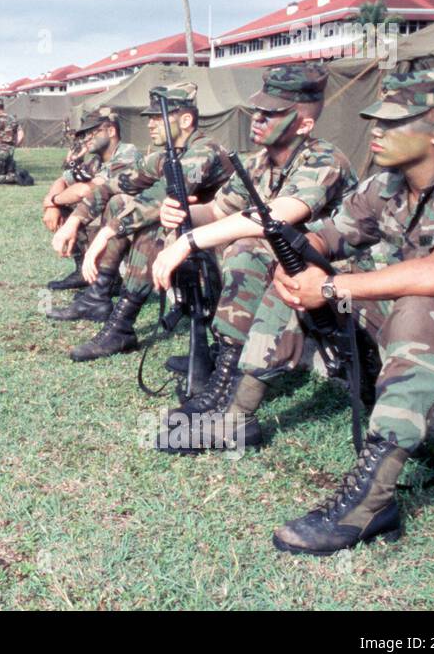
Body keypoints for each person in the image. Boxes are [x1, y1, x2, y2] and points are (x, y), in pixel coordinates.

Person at [198, 67, 434, 554]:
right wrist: (299, 256)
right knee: (301, 272)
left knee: (421, 305)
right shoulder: (389, 183)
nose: (376, 131)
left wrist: (334, 286)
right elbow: (330, 235)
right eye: (376, 121)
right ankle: (237, 417)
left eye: (393, 123)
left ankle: (371, 502)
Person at [149, 66, 355, 428]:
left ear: (304, 125)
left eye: (272, 113)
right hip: (290, 273)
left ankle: (230, 384)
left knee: (246, 249)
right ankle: (225, 372)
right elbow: (216, 210)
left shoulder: (325, 159)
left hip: (336, 276)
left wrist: (190, 238)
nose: (257, 118)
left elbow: (276, 217)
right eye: (258, 109)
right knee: (220, 245)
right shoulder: (258, 164)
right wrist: (182, 211)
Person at [55, 82, 231, 362]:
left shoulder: (204, 152)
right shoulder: (165, 156)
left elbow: (163, 198)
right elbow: (113, 185)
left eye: (158, 117)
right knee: (120, 202)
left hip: (222, 240)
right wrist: (74, 220)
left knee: (151, 224)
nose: (150, 124)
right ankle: (99, 295)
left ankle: (121, 325)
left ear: (186, 120)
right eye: (149, 117)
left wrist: (105, 234)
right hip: (190, 236)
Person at [42, 107, 139, 290]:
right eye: (85, 134)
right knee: (66, 205)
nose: (87, 139)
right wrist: (53, 206)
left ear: (111, 131)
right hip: (115, 225)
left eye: (92, 132)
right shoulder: (96, 161)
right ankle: (83, 271)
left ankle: (109, 275)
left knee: (94, 201)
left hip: (135, 223)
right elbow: (63, 179)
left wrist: (53, 200)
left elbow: (86, 190)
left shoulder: (127, 154)